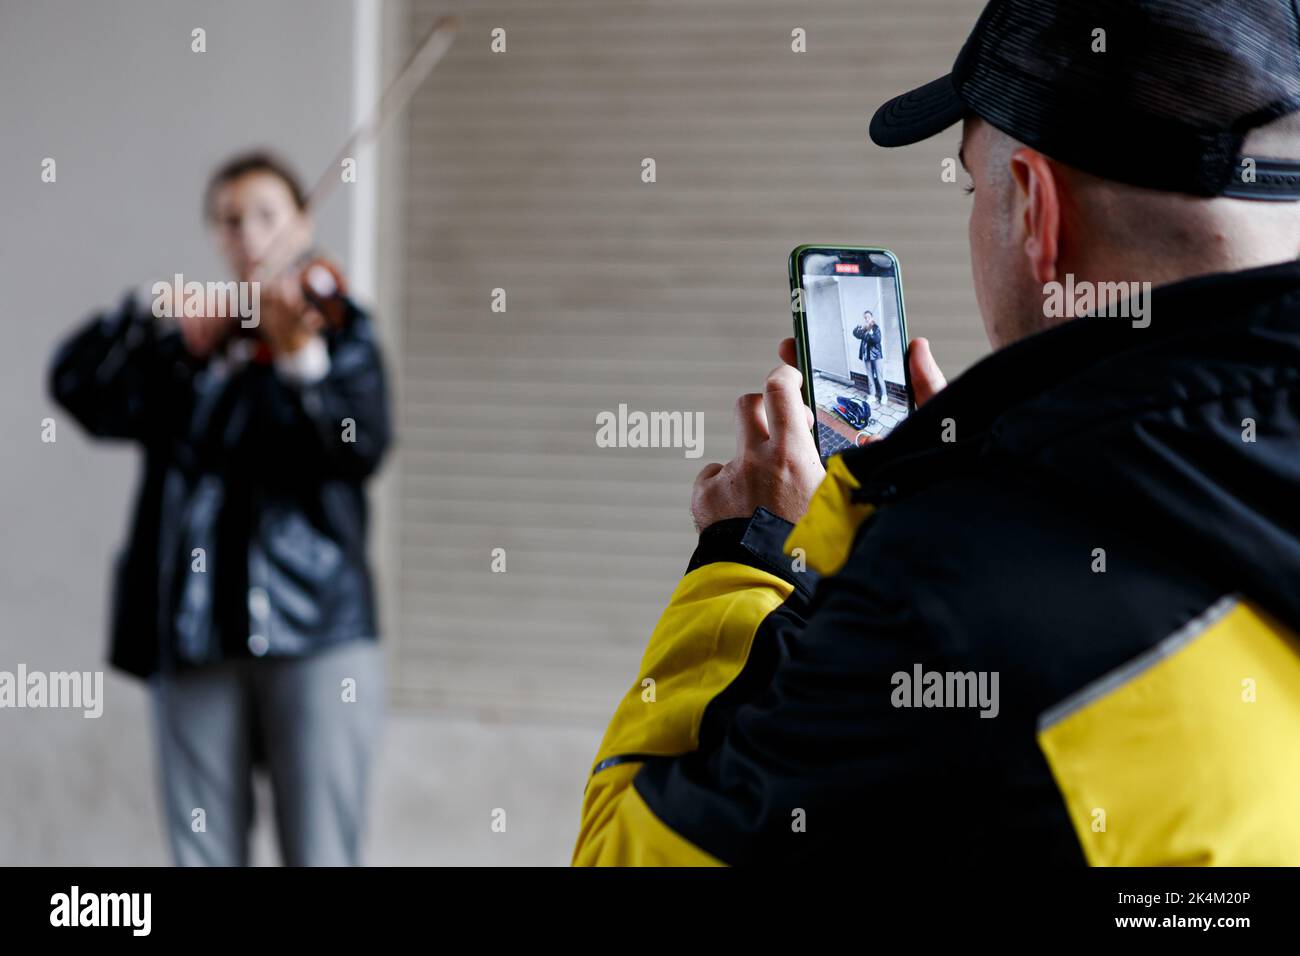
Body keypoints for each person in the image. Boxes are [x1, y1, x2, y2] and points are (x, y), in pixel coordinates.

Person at [572, 0, 1300, 865]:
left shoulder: (951, 598)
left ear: (1034, 208)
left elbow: (626, 853)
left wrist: (757, 554)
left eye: (970, 186)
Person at [49, 151, 392, 866]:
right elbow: (78, 386)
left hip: (319, 623)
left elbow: (357, 448)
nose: (250, 234)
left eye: (268, 215)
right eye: (231, 221)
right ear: (216, 236)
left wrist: (299, 356)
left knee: (323, 850)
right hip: (194, 623)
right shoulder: (193, 345)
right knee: (202, 852)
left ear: (302, 222)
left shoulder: (339, 328)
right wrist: (152, 313)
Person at [852, 310, 884, 403]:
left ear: (872, 318)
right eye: (865, 317)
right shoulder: (864, 329)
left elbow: (876, 340)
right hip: (867, 356)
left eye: (868, 317)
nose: (866, 319)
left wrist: (870, 331)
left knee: (879, 376)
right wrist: (857, 328)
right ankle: (873, 395)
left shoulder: (876, 328)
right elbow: (856, 335)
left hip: (876, 356)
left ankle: (884, 395)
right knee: (870, 376)